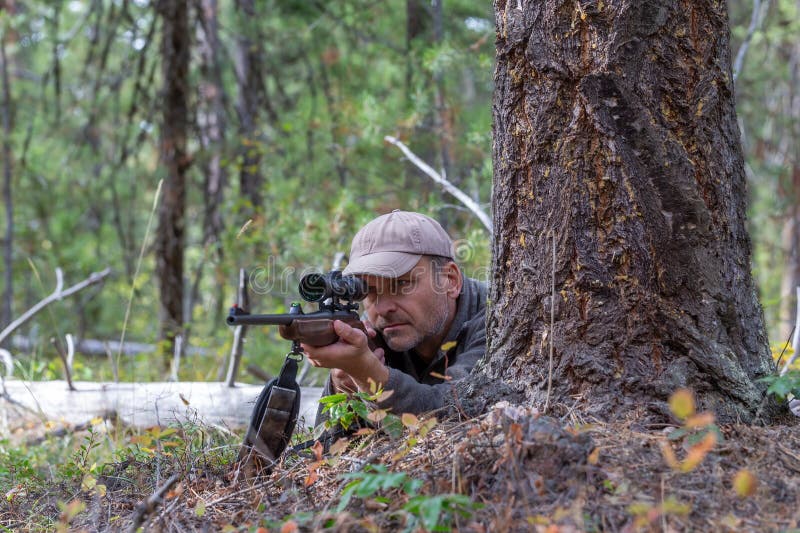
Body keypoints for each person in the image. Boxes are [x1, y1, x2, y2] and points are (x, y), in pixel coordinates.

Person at [302, 210, 487, 421]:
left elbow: (459, 409)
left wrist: (369, 375)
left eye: (401, 284)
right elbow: (329, 449)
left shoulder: (496, 318)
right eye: (368, 290)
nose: (382, 309)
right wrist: (344, 389)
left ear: (450, 280)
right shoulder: (367, 335)